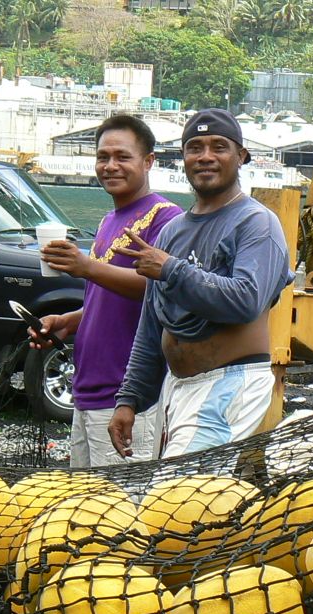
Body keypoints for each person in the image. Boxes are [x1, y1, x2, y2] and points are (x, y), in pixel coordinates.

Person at [107, 108, 293, 460]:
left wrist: (173, 270)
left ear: (241, 156)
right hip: (178, 388)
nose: (205, 156)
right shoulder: (171, 232)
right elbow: (151, 327)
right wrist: (128, 400)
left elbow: (246, 300)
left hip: (227, 384)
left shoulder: (257, 224)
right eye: (195, 147)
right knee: (189, 503)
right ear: (183, 158)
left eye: (219, 146)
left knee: (175, 497)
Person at [29, 115, 182, 467]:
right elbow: (108, 301)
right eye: (103, 157)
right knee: (85, 509)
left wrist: (86, 266)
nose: (110, 166)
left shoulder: (166, 218)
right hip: (87, 390)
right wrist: (68, 321)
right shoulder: (108, 220)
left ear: (148, 162)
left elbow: (163, 292)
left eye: (122, 157)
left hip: (128, 397)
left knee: (121, 512)